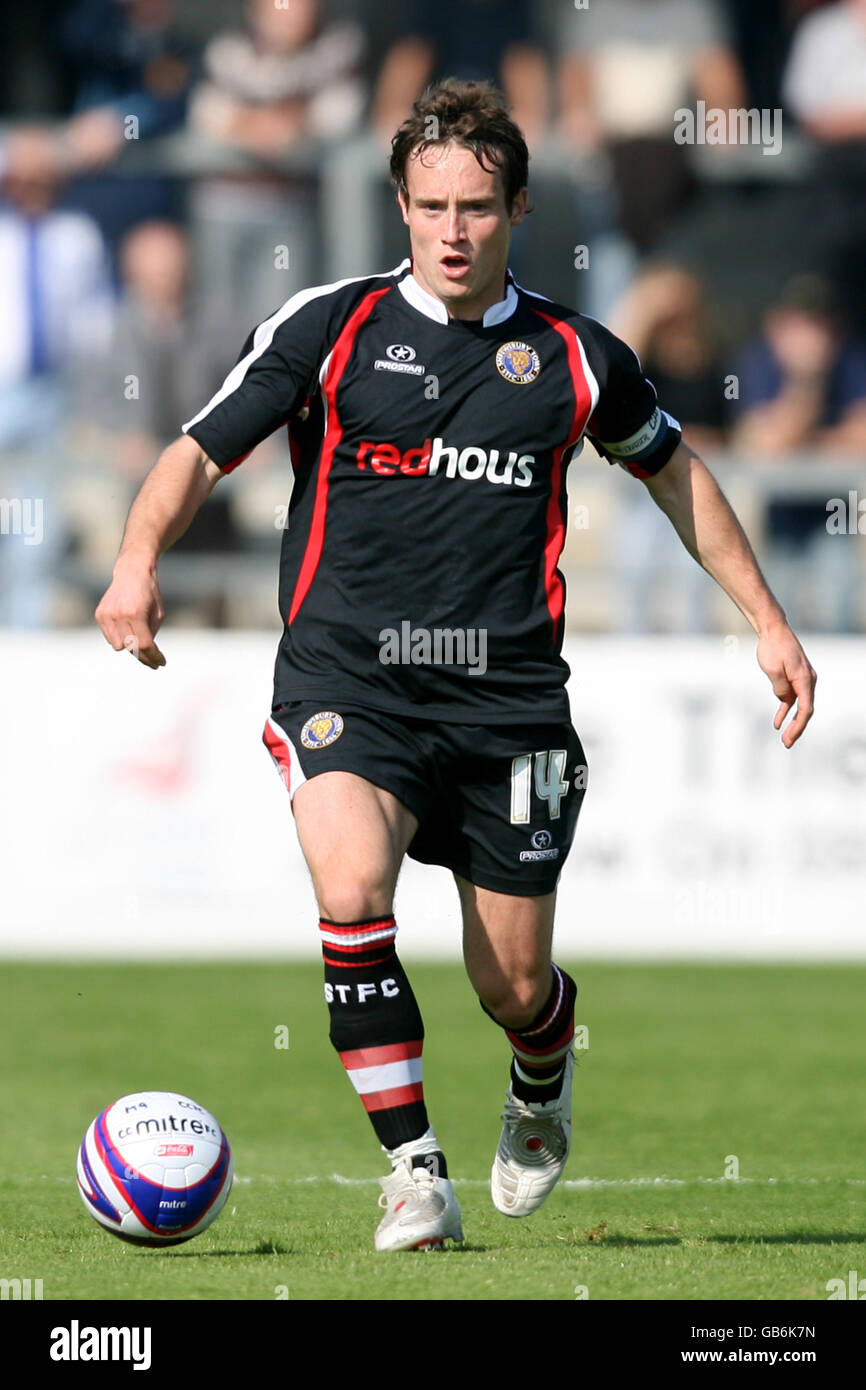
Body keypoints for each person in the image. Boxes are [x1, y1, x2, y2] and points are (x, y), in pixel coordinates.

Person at [94, 79, 817, 1252]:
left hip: (510, 707)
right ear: (399, 205)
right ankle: (413, 1172)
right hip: (350, 683)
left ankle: (540, 1074)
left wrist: (767, 622)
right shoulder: (326, 327)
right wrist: (134, 562)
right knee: (348, 890)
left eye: (475, 206)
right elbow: (194, 451)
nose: (449, 229)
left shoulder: (575, 358)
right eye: (428, 204)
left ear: (517, 206)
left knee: (512, 987)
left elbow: (676, 475)